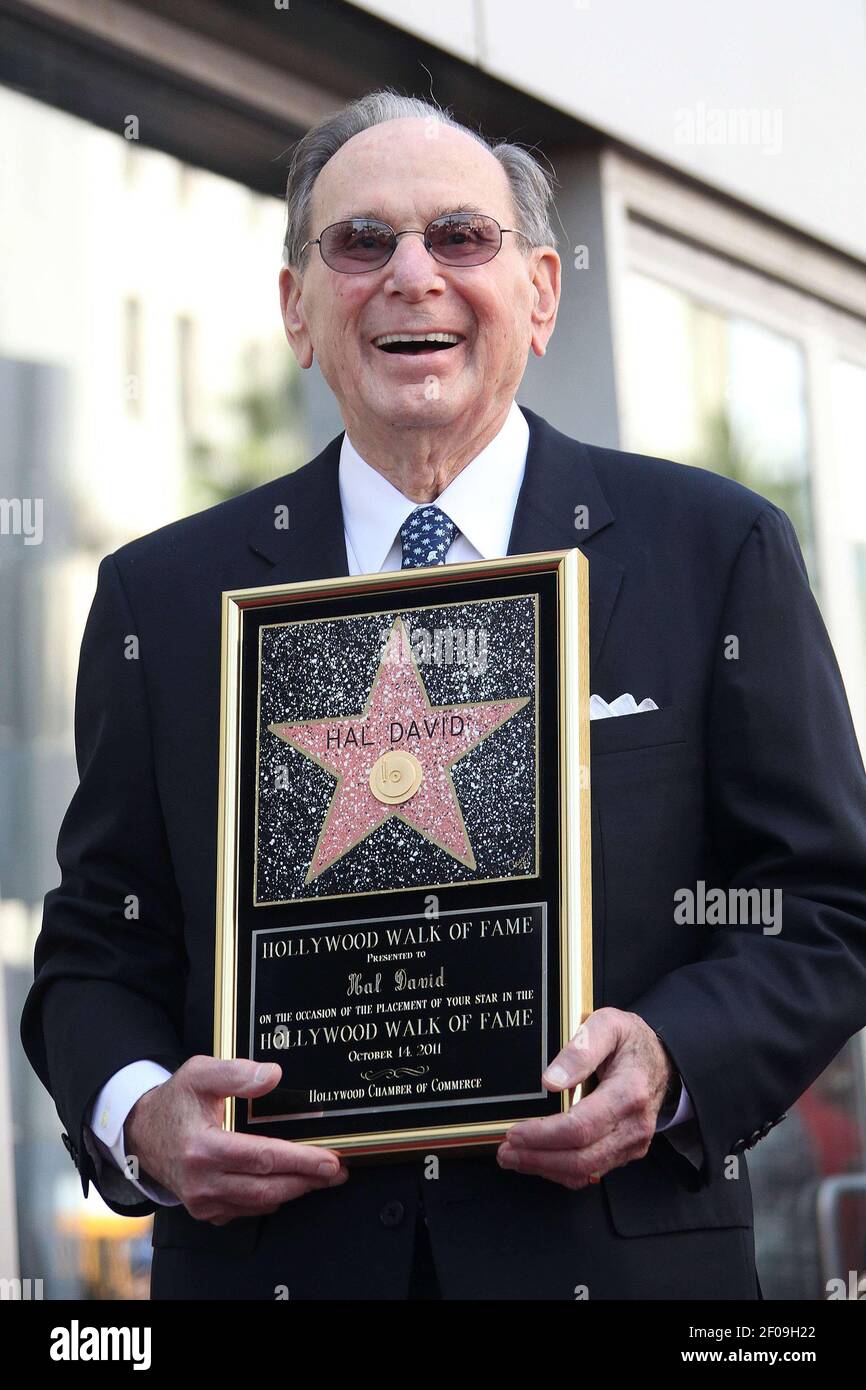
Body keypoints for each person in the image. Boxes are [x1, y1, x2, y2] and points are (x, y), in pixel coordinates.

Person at [21, 91, 866, 1300]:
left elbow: (823, 903)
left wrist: (670, 1057)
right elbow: (101, 946)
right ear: (295, 311)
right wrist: (145, 1117)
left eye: (458, 237)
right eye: (360, 243)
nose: (411, 275)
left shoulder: (710, 548)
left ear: (538, 292)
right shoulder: (163, 596)